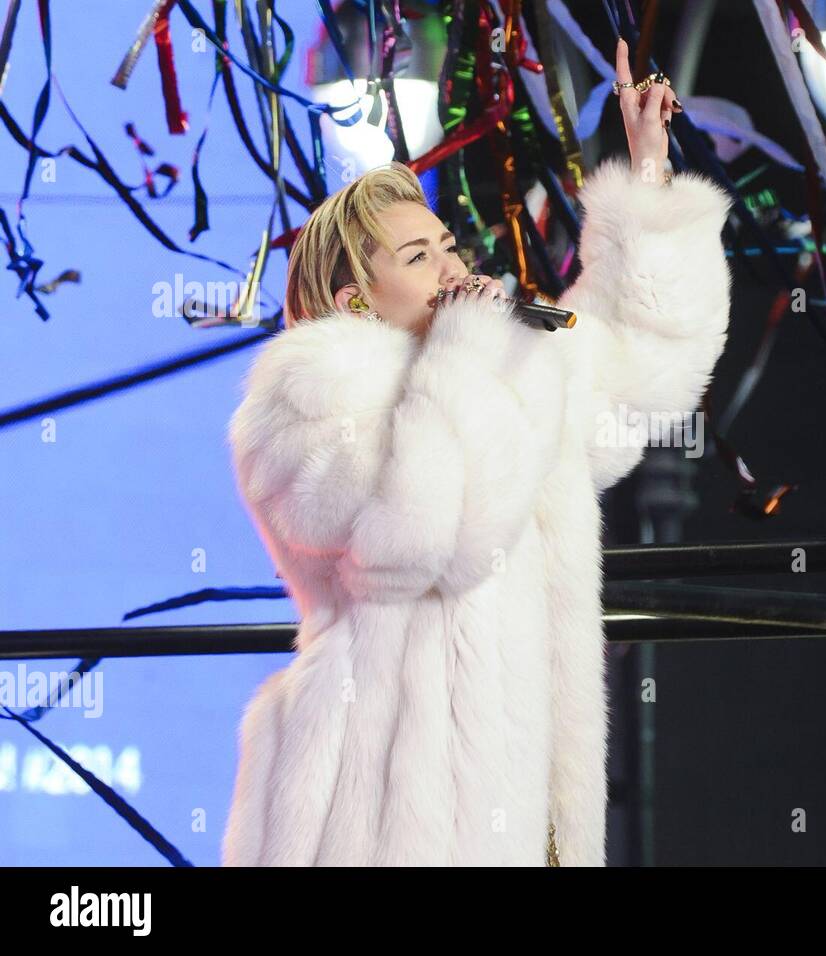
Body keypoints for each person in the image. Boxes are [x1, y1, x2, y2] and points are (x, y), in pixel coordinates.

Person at [220, 39, 732, 865]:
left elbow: (643, 362)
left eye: (450, 249)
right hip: (381, 808)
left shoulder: (504, 369)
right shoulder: (307, 401)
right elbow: (421, 540)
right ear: (355, 300)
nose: (453, 266)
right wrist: (468, 345)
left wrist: (646, 177)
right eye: (420, 258)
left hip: (528, 803)